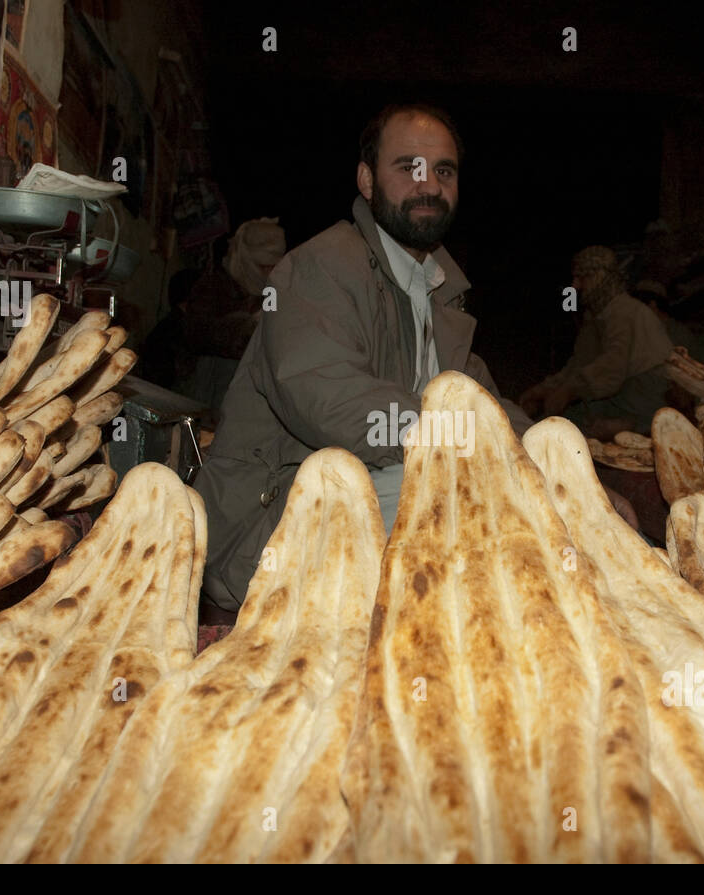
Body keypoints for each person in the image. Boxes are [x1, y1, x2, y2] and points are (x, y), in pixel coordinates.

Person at [193, 104, 532, 611]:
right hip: (268, 538)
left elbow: (488, 403)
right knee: (462, 505)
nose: (429, 185)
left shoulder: (438, 292)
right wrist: (470, 439)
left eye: (444, 171)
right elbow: (329, 401)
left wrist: (565, 471)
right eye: (407, 167)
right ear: (367, 181)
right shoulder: (318, 268)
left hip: (359, 524)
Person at [519, 246, 674, 435]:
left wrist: (568, 391)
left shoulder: (624, 310)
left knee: (580, 428)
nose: (575, 286)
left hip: (646, 396)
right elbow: (580, 362)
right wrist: (542, 390)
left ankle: (631, 427)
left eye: (581, 278)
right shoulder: (597, 315)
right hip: (621, 393)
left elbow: (612, 369)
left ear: (598, 277)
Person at [179, 218, 287, 409]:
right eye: (263, 267)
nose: (269, 273)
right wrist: (246, 327)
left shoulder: (273, 293)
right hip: (206, 395)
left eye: (274, 267)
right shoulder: (214, 286)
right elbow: (194, 334)